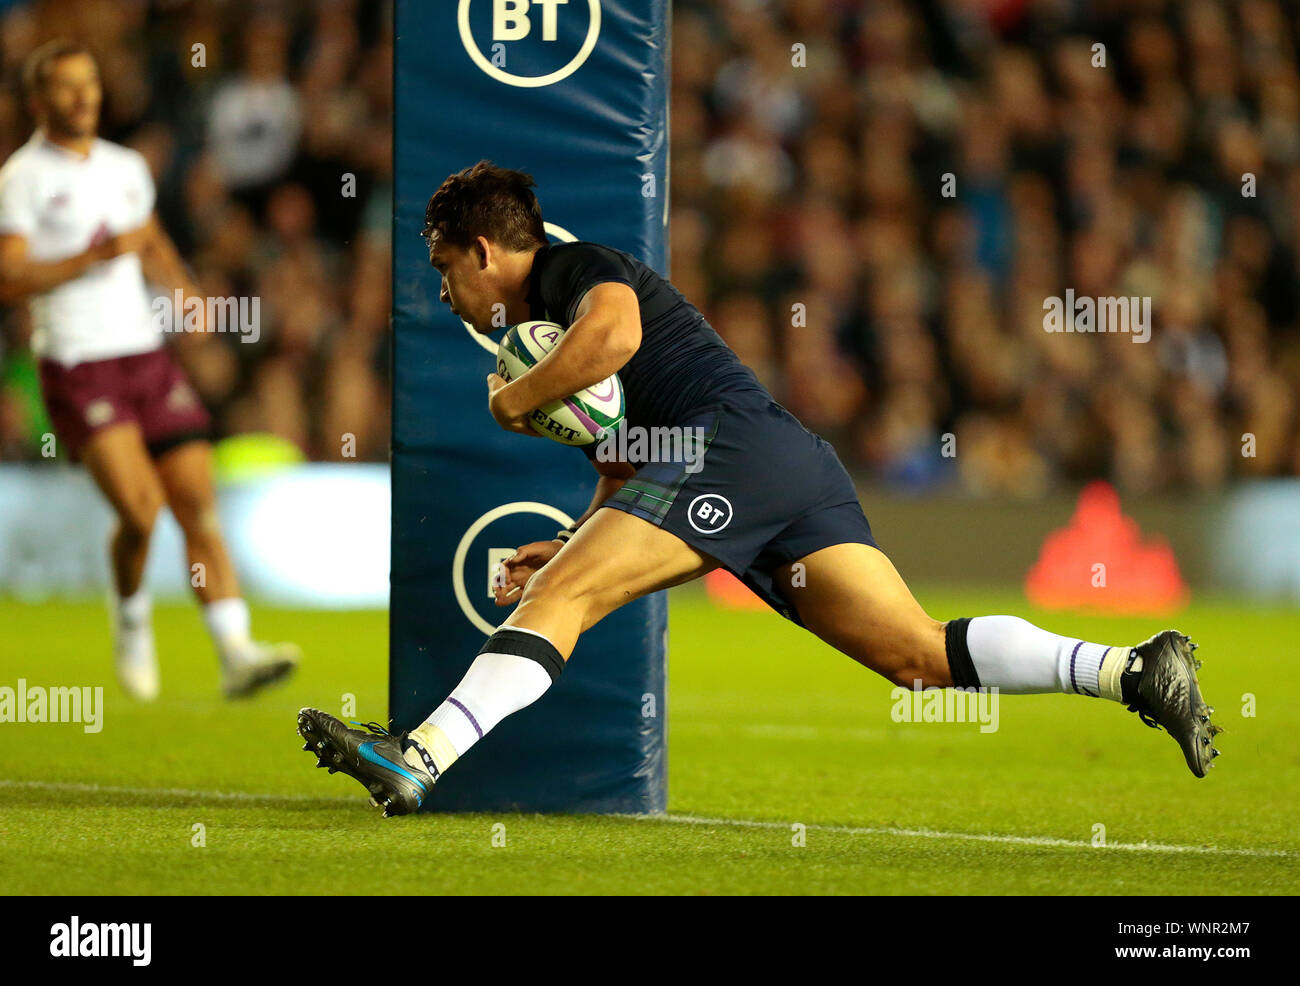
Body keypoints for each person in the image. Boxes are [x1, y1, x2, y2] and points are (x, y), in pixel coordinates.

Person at [297, 161, 1220, 816]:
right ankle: (1134, 669)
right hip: (778, 460)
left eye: (443, 265)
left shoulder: (571, 274)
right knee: (919, 656)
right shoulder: (557, 313)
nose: (443, 288)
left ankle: (419, 756)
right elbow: (626, 451)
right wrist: (580, 529)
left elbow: (615, 340)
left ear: (486, 250)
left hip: (727, 448)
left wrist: (512, 402)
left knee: (563, 595)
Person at [0, 40, 299, 700]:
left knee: (197, 504)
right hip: (78, 363)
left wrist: (183, 292)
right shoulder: (22, 178)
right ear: (38, 101)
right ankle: (131, 619)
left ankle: (236, 651)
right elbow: (9, 276)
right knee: (139, 512)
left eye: (90, 84)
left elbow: (150, 237)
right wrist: (92, 257)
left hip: (144, 354)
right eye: (68, 87)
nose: (84, 97)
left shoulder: (126, 165)